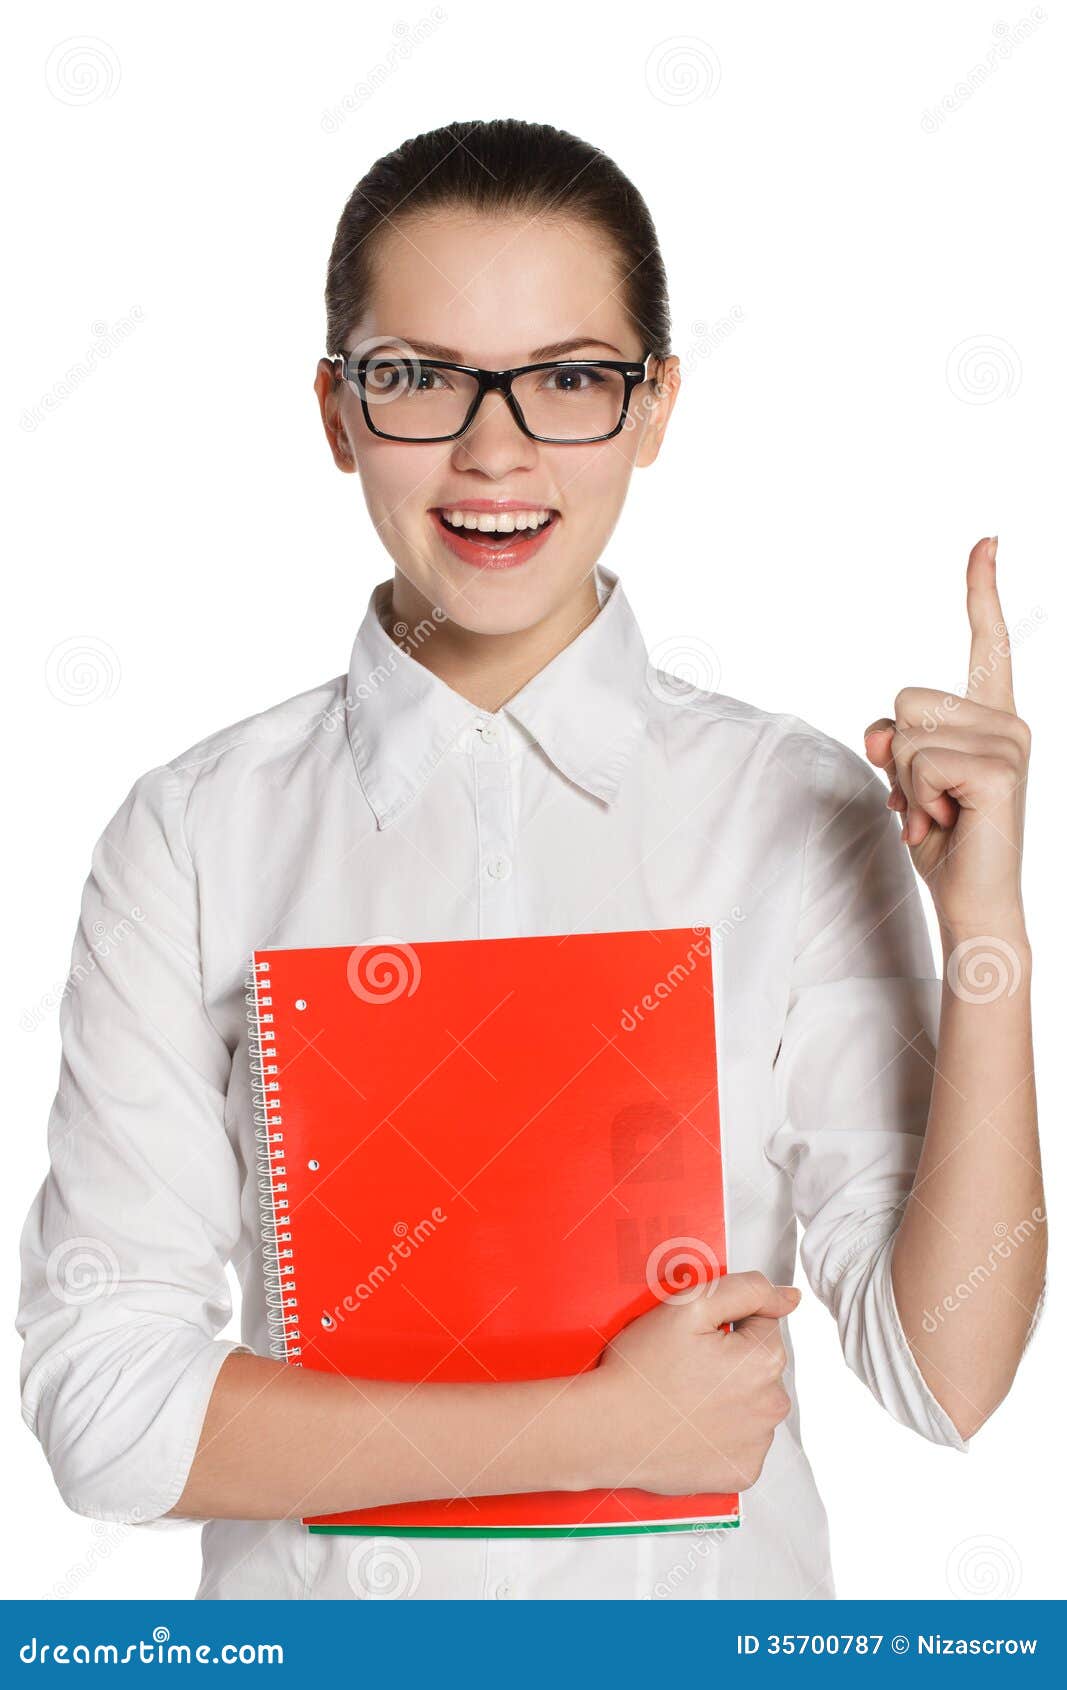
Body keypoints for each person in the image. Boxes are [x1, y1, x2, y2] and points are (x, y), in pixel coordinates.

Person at [17, 118, 1044, 1602]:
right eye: (421, 378)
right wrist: (606, 1425)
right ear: (336, 409)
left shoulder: (792, 806)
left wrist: (989, 931)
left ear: (655, 405)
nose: (495, 451)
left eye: (570, 379)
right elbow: (105, 1414)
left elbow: (947, 1371)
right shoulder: (192, 834)